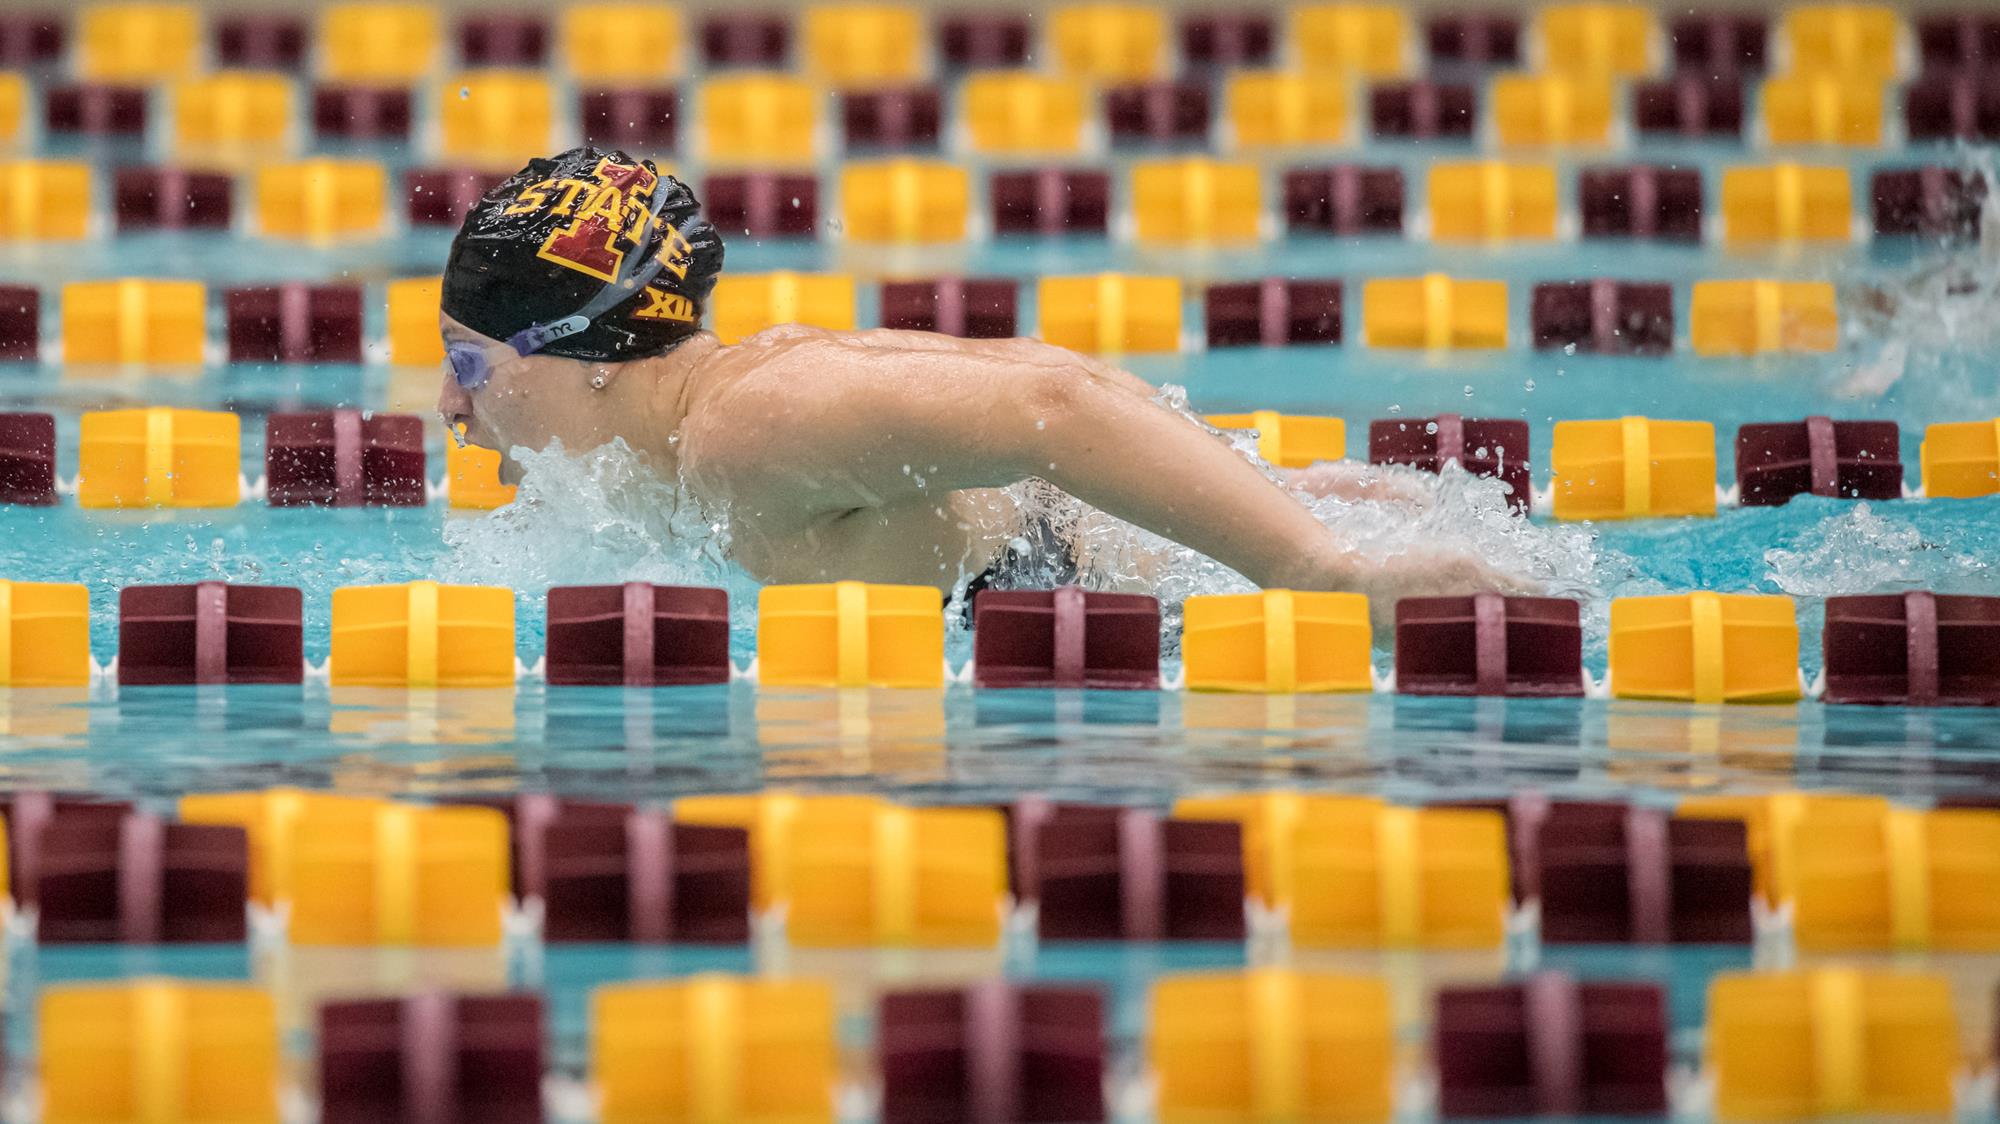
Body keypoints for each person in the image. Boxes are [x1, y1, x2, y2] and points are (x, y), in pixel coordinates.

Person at [437, 146, 1527, 613]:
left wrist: (1317, 571)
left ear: (580, 358)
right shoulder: (725, 414)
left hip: (1133, 616)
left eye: (469, 362)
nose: (452, 403)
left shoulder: (751, 427)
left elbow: (1049, 400)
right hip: (1106, 573)